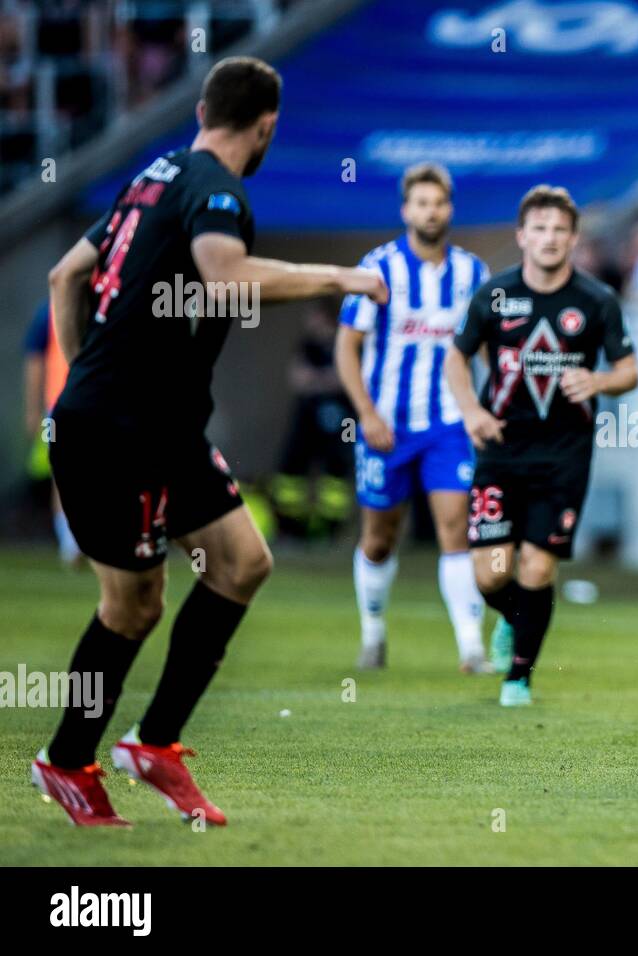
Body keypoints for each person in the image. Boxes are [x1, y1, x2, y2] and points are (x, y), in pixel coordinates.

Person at [32, 56, 387, 827]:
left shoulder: (151, 178)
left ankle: (154, 745)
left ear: (201, 109)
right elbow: (224, 276)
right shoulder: (217, 189)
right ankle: (66, 761)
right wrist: (338, 276)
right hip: (121, 431)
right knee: (132, 608)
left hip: (154, 426)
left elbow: (65, 275)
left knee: (242, 562)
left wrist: (82, 374)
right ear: (266, 128)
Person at [444, 185, 638, 707]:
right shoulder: (494, 295)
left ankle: (518, 678)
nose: (550, 239)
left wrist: (597, 382)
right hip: (500, 450)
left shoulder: (597, 300)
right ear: (522, 236)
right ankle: (512, 617)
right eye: (540, 229)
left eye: (559, 230)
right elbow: (456, 358)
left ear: (573, 238)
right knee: (491, 574)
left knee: (537, 567)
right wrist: (471, 411)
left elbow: (630, 370)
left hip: (564, 456)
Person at [335, 163, 492, 673]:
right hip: (387, 425)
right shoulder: (377, 268)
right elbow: (347, 347)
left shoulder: (473, 273)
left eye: (439, 203)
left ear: (449, 208)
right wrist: (365, 414)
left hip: (449, 425)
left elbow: (485, 348)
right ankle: (373, 634)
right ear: (406, 210)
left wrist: (482, 408)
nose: (431, 211)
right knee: (379, 535)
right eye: (421, 203)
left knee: (455, 529)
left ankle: (472, 646)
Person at [269, 301, 353, 541]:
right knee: (293, 467)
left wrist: (318, 380)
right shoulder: (307, 346)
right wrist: (325, 379)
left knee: (336, 472)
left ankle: (329, 531)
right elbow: (298, 378)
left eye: (314, 317)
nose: (310, 322)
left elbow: (346, 377)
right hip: (305, 419)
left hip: (341, 420)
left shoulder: (344, 344)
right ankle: (290, 526)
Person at [21, 299, 80, 565]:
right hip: (57, 407)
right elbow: (35, 360)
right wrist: (33, 409)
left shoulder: (109, 304)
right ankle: (70, 542)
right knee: (61, 471)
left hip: (96, 404)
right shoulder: (50, 312)